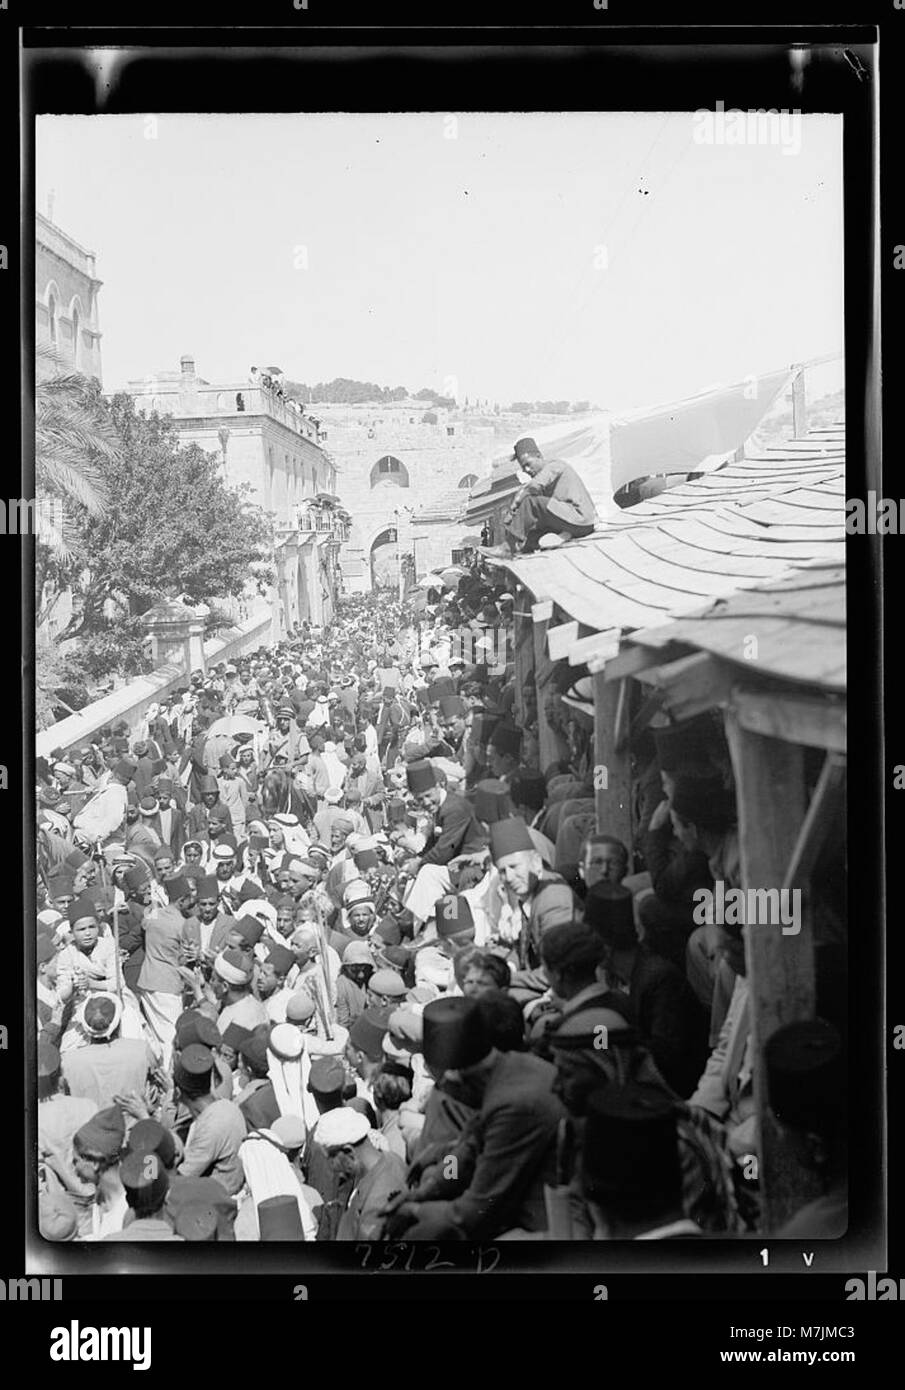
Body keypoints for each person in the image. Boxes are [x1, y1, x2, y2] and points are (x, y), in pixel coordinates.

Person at [383, 996, 564, 1239]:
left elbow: (477, 1208)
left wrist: (415, 1209)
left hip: (548, 1220)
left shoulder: (513, 1103)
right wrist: (424, 1191)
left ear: (461, 1076)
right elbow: (465, 1154)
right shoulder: (507, 1067)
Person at [486, 438, 597, 556]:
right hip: (571, 523)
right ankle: (519, 550)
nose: (527, 470)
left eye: (528, 464)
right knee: (532, 534)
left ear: (539, 456)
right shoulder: (545, 483)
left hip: (580, 519)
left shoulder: (555, 465)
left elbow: (532, 487)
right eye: (523, 468)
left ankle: (507, 548)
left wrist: (515, 503)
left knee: (531, 502)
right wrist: (515, 517)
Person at [313, 1108, 406, 1240]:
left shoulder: (377, 1203)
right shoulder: (391, 1159)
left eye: (331, 1158)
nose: (332, 1167)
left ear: (348, 1152)